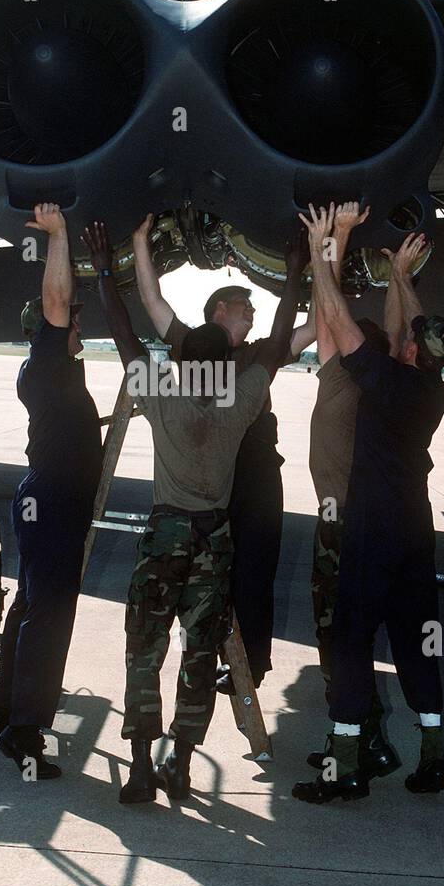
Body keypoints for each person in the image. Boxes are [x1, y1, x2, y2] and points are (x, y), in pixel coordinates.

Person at [82, 219, 305, 804]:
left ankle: (138, 767)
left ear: (184, 359)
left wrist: (108, 268)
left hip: (164, 539)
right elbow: (282, 342)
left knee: (144, 651)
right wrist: (298, 268)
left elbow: (124, 330)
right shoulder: (243, 398)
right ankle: (179, 764)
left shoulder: (162, 390)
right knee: (198, 656)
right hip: (213, 542)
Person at [293, 205, 444, 805]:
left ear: (413, 354)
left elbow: (337, 320)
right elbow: (407, 333)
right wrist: (400, 276)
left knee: (350, 644)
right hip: (416, 531)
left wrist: (323, 250)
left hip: (373, 527)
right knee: (418, 644)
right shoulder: (431, 389)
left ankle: (344, 769)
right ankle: (434, 759)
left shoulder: (386, 382)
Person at [132, 213, 315, 691]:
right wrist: (139, 243)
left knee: (256, 569)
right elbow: (153, 302)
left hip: (253, 478)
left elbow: (308, 329)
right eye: (243, 306)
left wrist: (322, 259)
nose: (251, 313)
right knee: (214, 577)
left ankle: (250, 664)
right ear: (218, 311)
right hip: (209, 486)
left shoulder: (258, 355)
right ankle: (210, 651)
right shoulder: (193, 346)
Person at [0, 204, 103, 779]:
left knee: (29, 608)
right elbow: (57, 303)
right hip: (54, 503)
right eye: (71, 322)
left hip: (44, 498)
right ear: (51, 329)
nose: (78, 326)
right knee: (49, 618)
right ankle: (25, 733)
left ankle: (6, 708)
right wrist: (60, 235)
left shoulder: (54, 369)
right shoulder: (48, 358)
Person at [305, 201, 400, 783]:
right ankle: (369, 741)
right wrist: (397, 277)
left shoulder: (341, 372)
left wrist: (333, 240)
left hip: (340, 525)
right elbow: (391, 333)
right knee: (353, 638)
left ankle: (354, 746)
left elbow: (326, 304)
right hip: (370, 522)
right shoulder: (389, 380)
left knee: (336, 639)